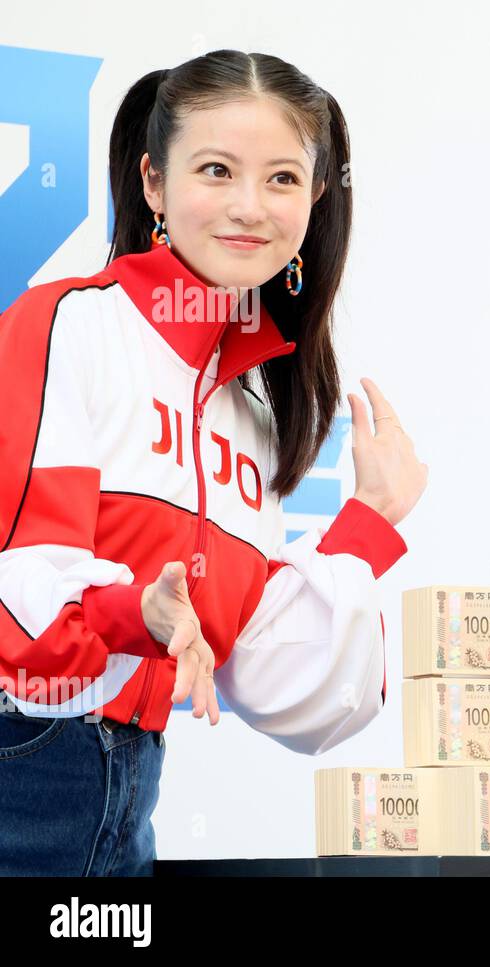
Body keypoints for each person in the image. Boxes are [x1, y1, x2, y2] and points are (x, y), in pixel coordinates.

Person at [0, 50, 428, 876]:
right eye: (216, 170)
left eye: (281, 179)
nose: (248, 207)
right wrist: (138, 614)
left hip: (124, 803)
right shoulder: (69, 328)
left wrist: (369, 526)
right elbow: (18, 601)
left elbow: (269, 681)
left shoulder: (250, 408)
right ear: (154, 184)